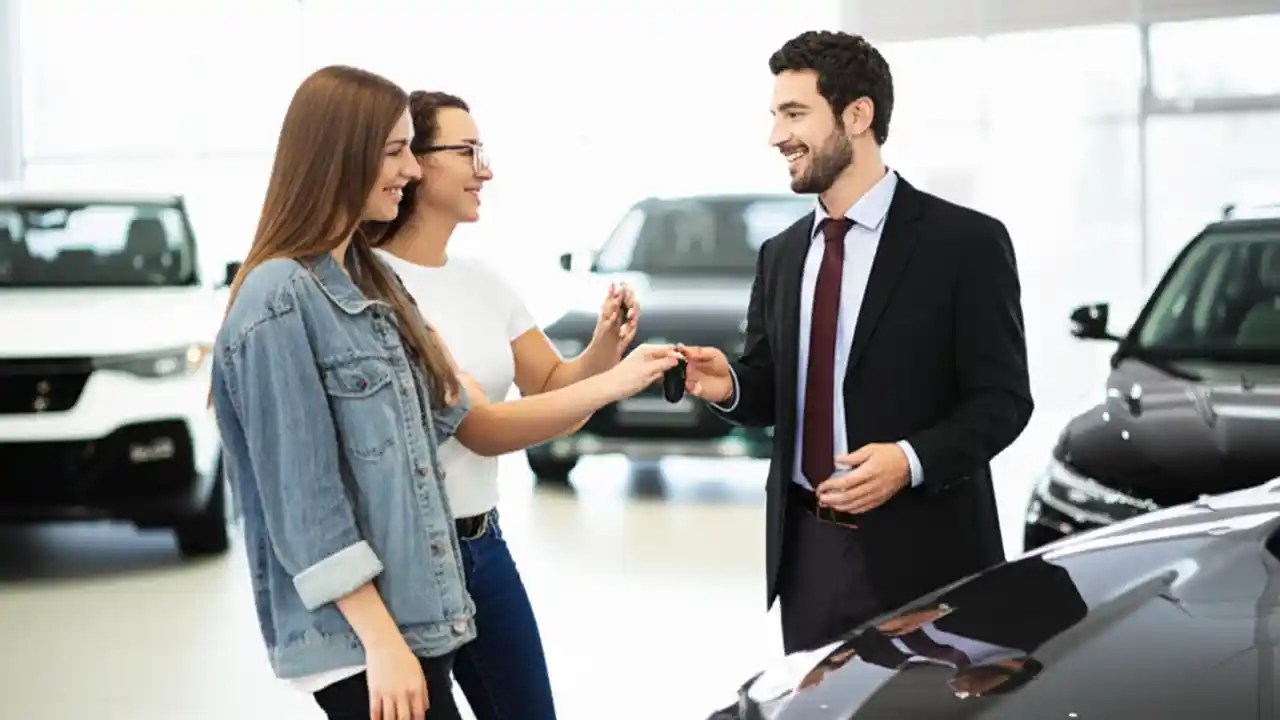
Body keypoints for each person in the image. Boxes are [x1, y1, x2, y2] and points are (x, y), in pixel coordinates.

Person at [211, 66, 678, 720]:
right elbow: (304, 505)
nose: (407, 173)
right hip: (362, 635)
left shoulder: (370, 285)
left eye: (409, 149)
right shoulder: (277, 300)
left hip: (426, 602)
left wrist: (608, 369)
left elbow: (464, 416)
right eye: (394, 152)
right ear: (342, 154)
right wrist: (382, 641)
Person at [679, 30, 1034, 655]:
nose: (775, 137)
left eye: (794, 114)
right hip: (808, 556)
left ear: (857, 115)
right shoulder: (782, 254)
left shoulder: (965, 244)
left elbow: (1002, 401)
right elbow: (772, 386)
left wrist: (909, 460)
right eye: (775, 115)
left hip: (929, 558)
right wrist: (730, 384)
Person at [369, 90, 633, 720]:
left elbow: (551, 387)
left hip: (485, 544)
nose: (484, 170)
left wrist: (605, 348)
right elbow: (481, 427)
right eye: (467, 152)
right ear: (414, 160)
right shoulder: (368, 285)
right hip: (404, 561)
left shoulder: (483, 280)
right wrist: (620, 383)